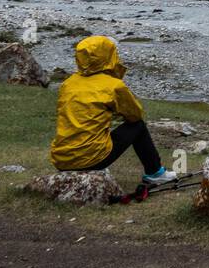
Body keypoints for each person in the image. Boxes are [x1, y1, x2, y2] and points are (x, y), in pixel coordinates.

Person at [50, 35, 176, 184]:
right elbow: (135, 115)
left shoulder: (68, 84)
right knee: (138, 126)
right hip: (92, 159)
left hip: (61, 160)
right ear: (109, 56)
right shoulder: (113, 85)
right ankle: (155, 173)